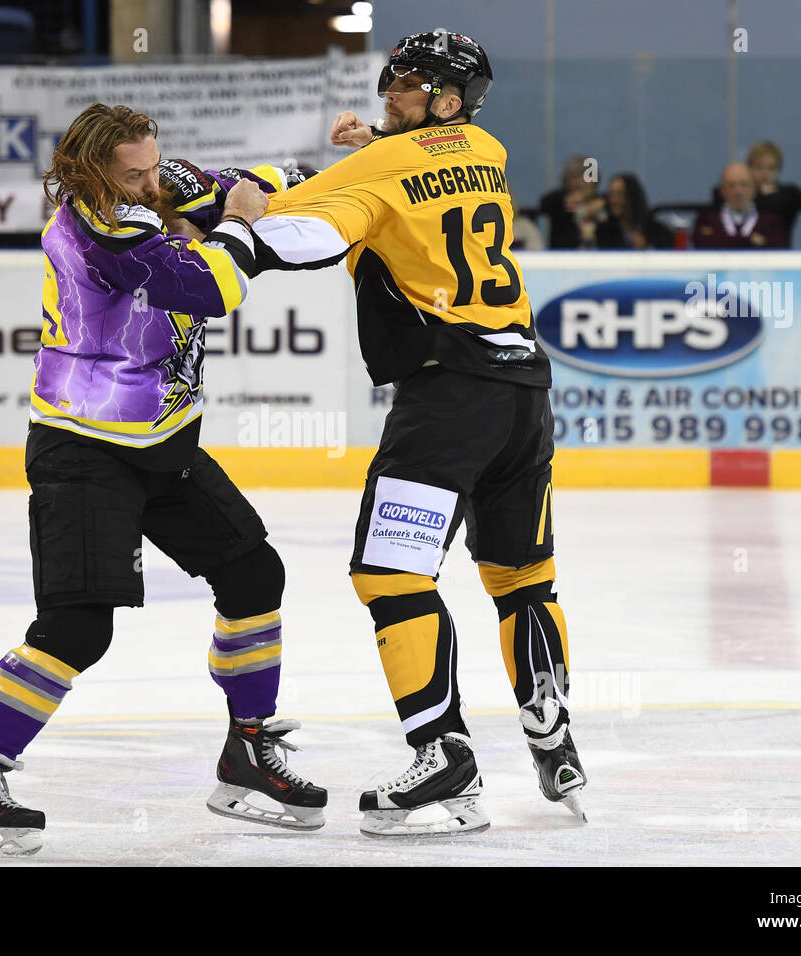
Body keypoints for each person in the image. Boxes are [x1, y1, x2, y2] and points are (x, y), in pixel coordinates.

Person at [0, 103, 327, 856]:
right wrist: (241, 223)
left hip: (164, 444)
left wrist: (343, 173)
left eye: (155, 167)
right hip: (85, 450)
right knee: (80, 627)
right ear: (93, 174)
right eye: (136, 175)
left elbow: (243, 184)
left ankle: (248, 748)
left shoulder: (148, 193)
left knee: (252, 574)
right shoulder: (97, 233)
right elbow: (215, 286)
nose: (154, 183)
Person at [254, 30, 587, 835]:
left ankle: (444, 758)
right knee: (522, 578)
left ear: (443, 96)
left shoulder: (382, 165)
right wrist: (374, 148)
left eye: (404, 83)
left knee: (390, 576)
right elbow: (421, 168)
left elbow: (305, 233)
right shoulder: (486, 145)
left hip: (447, 401)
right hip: (523, 392)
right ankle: (554, 731)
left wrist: (231, 219)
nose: (386, 93)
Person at [692, 161, 786, 248]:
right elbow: (701, 243)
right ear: (722, 190)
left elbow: (779, 247)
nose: (738, 192)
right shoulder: (706, 219)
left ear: (754, 188)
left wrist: (721, 238)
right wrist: (751, 240)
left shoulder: (771, 221)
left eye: (744, 184)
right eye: (732, 185)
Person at [538, 154, 606, 248]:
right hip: (564, 255)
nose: (580, 182)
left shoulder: (602, 201)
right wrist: (566, 201)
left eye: (586, 177)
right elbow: (544, 205)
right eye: (575, 177)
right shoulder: (558, 200)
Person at [595, 172, 673, 249]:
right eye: (611, 194)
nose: (614, 201)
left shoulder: (656, 231)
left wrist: (646, 248)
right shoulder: (603, 231)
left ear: (632, 196)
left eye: (620, 194)